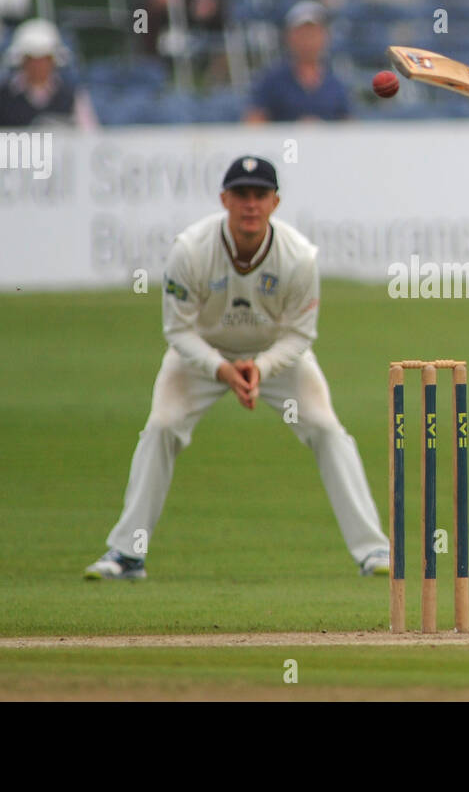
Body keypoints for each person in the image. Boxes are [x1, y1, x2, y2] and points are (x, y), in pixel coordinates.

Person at [85, 155, 391, 581]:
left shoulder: (298, 257)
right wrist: (222, 370)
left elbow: (301, 335)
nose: (251, 204)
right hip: (202, 354)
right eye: (242, 195)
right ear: (223, 199)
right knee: (162, 426)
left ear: (276, 202)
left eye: (260, 195)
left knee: (325, 428)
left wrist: (260, 368)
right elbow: (178, 330)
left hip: (276, 354)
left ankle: (374, 552)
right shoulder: (190, 250)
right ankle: (126, 554)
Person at [0, 18, 99, 130]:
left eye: (44, 59)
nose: (38, 65)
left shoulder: (72, 95)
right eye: (32, 59)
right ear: (22, 60)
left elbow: (90, 139)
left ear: (53, 61)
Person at [245, 1, 350, 123]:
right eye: (302, 33)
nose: (308, 40)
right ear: (289, 37)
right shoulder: (271, 80)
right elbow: (254, 122)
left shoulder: (336, 83)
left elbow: (347, 125)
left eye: (313, 33)